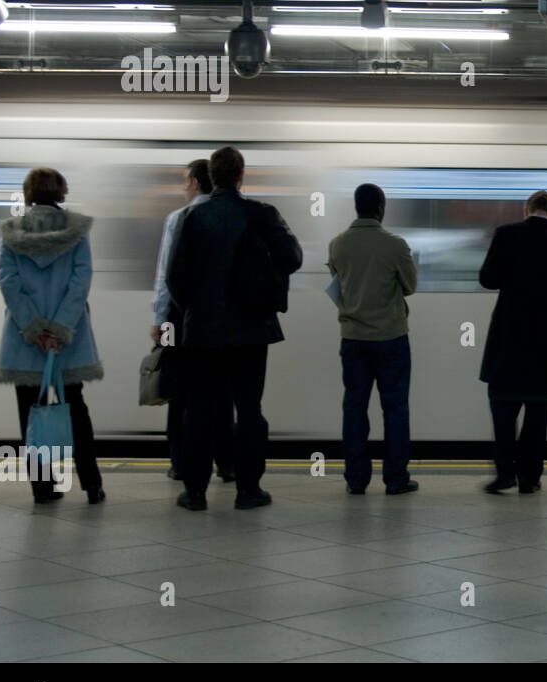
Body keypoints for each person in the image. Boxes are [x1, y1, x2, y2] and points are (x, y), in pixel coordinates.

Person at [166, 146, 302, 511]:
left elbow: (173, 277)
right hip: (252, 330)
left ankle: (195, 492)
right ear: (241, 176)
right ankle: (248, 490)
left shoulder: (192, 217)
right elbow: (293, 258)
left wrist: (193, 310)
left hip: (202, 331)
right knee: (249, 408)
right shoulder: (262, 214)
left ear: (212, 176)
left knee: (199, 409)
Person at [0, 168, 104, 504]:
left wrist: (35, 328)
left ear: (28, 194)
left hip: (25, 341)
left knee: (31, 412)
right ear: (61, 193)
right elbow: (80, 283)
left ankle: (43, 488)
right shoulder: (77, 232)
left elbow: (8, 283)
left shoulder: (11, 234)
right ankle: (92, 485)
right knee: (76, 410)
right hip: (68, 340)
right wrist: (59, 328)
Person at [479, 190, 547, 494]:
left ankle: (504, 474)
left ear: (527, 210)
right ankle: (530, 477)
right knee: (537, 414)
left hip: (507, 338)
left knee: (503, 410)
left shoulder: (505, 235)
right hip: (545, 340)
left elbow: (487, 279)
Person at [327, 183, 418, 495]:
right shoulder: (395, 245)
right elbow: (410, 286)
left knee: (354, 408)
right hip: (391, 337)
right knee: (395, 409)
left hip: (353, 339)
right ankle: (396, 479)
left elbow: (337, 284)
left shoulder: (337, 244)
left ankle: (356, 480)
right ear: (381, 207)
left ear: (356, 207)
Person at [150, 159, 233, 483]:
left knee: (179, 389)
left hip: (176, 318)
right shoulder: (227, 218)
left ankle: (181, 463)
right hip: (222, 319)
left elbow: (165, 275)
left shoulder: (180, 218)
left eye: (186, 181)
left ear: (197, 183)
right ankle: (227, 462)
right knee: (222, 391)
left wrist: (159, 320)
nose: (184, 187)